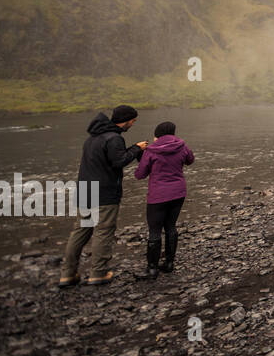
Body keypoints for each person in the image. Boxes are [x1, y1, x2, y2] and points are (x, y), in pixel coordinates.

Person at [59, 105, 148, 288]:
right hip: (104, 194)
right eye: (133, 120)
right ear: (126, 120)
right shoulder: (114, 139)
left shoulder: (91, 139)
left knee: (80, 232)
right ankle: (98, 273)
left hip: (85, 191)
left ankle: (67, 274)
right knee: (103, 232)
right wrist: (136, 148)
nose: (133, 123)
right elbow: (119, 161)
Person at [135, 121, 194, 279]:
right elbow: (190, 160)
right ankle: (169, 263)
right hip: (178, 192)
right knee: (171, 226)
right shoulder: (181, 145)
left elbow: (140, 174)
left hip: (158, 196)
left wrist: (140, 157)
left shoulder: (151, 150)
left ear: (157, 135)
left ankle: (152, 269)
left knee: (154, 231)